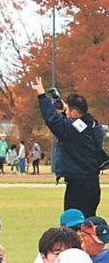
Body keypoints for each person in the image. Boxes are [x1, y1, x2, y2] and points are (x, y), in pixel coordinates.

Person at [33, 77, 106, 216]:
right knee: (88, 224)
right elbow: (77, 130)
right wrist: (66, 113)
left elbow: (53, 121)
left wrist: (42, 96)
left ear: (74, 112)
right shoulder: (93, 125)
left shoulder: (75, 128)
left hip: (78, 185)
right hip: (92, 183)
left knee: (72, 225)